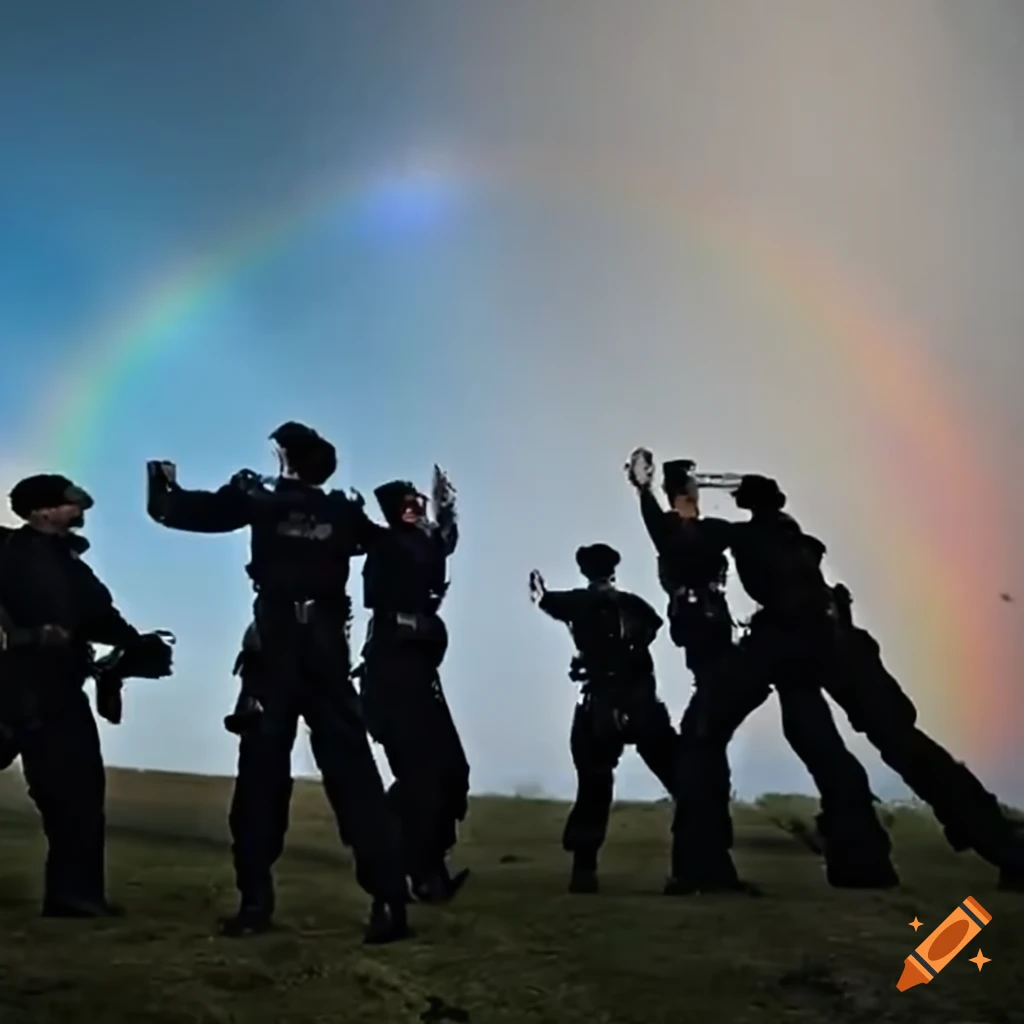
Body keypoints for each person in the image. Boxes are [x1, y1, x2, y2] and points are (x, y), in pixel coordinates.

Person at [146, 422, 409, 943]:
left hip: (278, 649)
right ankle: (389, 902)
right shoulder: (343, 511)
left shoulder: (260, 500)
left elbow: (175, 513)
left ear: (284, 458)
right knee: (354, 775)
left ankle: (255, 904)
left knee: (263, 776)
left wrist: (161, 479)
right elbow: (393, 550)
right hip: (326, 651)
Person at [0, 474, 172, 917]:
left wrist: (136, 646)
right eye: (69, 505)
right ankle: (73, 896)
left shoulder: (68, 563)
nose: (80, 512)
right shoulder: (9, 557)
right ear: (41, 511)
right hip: (15, 690)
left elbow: (99, 616)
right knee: (74, 794)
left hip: (57, 689)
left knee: (77, 795)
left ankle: (74, 897)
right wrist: (28, 637)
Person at [725, 474, 899, 888]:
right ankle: (860, 854)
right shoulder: (797, 541)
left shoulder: (760, 540)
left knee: (818, 743)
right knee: (825, 747)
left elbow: (775, 590)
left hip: (797, 651)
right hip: (816, 646)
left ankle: (859, 856)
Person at [625, 449, 769, 894]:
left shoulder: (708, 530)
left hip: (713, 636)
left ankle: (703, 867)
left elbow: (750, 535)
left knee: (707, 745)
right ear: (683, 493)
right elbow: (657, 520)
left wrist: (756, 499)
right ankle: (700, 868)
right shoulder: (673, 529)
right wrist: (644, 488)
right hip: (702, 633)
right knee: (704, 741)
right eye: (689, 488)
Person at [827, 583, 1024, 889]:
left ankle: (1011, 857)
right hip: (900, 736)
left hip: (899, 736)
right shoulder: (847, 643)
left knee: (954, 794)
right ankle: (1009, 854)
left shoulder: (847, 645)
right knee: (954, 792)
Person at [529, 543, 677, 893]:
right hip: (642, 700)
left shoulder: (576, 603)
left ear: (584, 571)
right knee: (679, 776)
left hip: (600, 703)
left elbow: (544, 600)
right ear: (614, 570)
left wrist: (538, 588)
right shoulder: (636, 606)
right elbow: (653, 627)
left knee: (594, 785)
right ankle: (692, 860)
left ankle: (584, 869)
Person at [355, 467, 470, 903]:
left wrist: (446, 511)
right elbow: (429, 547)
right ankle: (420, 871)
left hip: (419, 673)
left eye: (418, 504)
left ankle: (416, 854)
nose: (417, 511)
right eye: (410, 506)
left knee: (452, 772)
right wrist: (441, 517)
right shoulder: (389, 545)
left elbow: (440, 543)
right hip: (392, 675)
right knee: (422, 776)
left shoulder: (418, 543)